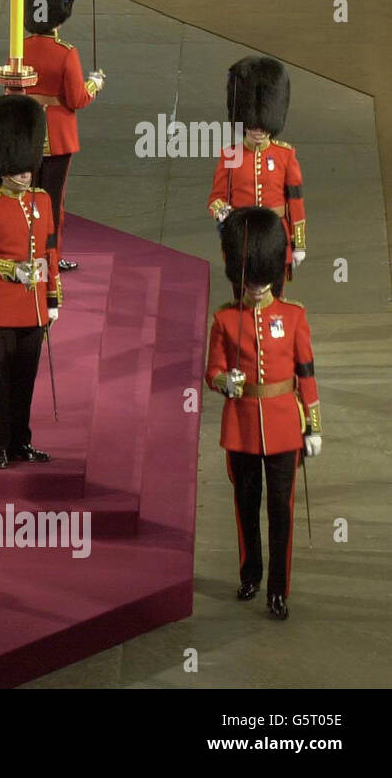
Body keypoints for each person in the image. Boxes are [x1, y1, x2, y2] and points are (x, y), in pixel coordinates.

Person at [206, 206, 321, 621]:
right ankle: (250, 572)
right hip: (241, 426)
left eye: (262, 278)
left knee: (281, 511)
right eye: (250, 279)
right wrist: (225, 383)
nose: (256, 287)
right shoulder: (224, 318)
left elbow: (305, 373)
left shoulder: (294, 318)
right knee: (245, 505)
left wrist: (313, 426)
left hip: (284, 426)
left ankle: (278, 589)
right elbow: (212, 371)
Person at [0, 94, 62, 469]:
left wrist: (53, 297)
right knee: (3, 384)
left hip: (36, 307)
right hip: (4, 308)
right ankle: (0, 445)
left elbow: (51, 253)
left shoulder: (41, 201)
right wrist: (14, 271)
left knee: (26, 381)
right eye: (21, 169)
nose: (27, 175)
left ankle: (22, 441)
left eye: (29, 169)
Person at [23, 0, 105, 273]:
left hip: (27, 132)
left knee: (27, 199)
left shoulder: (21, 48)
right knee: (52, 203)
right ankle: (50, 261)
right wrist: (95, 84)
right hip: (57, 138)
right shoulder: (66, 54)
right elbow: (76, 99)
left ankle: (26, 254)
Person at [207, 56, 306, 284]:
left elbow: (296, 203)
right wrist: (227, 217)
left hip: (275, 234)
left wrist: (299, 243)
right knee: (242, 290)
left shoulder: (286, 155)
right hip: (243, 234)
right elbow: (216, 198)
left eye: (263, 126)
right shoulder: (230, 154)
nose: (258, 131)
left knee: (275, 292)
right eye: (253, 125)